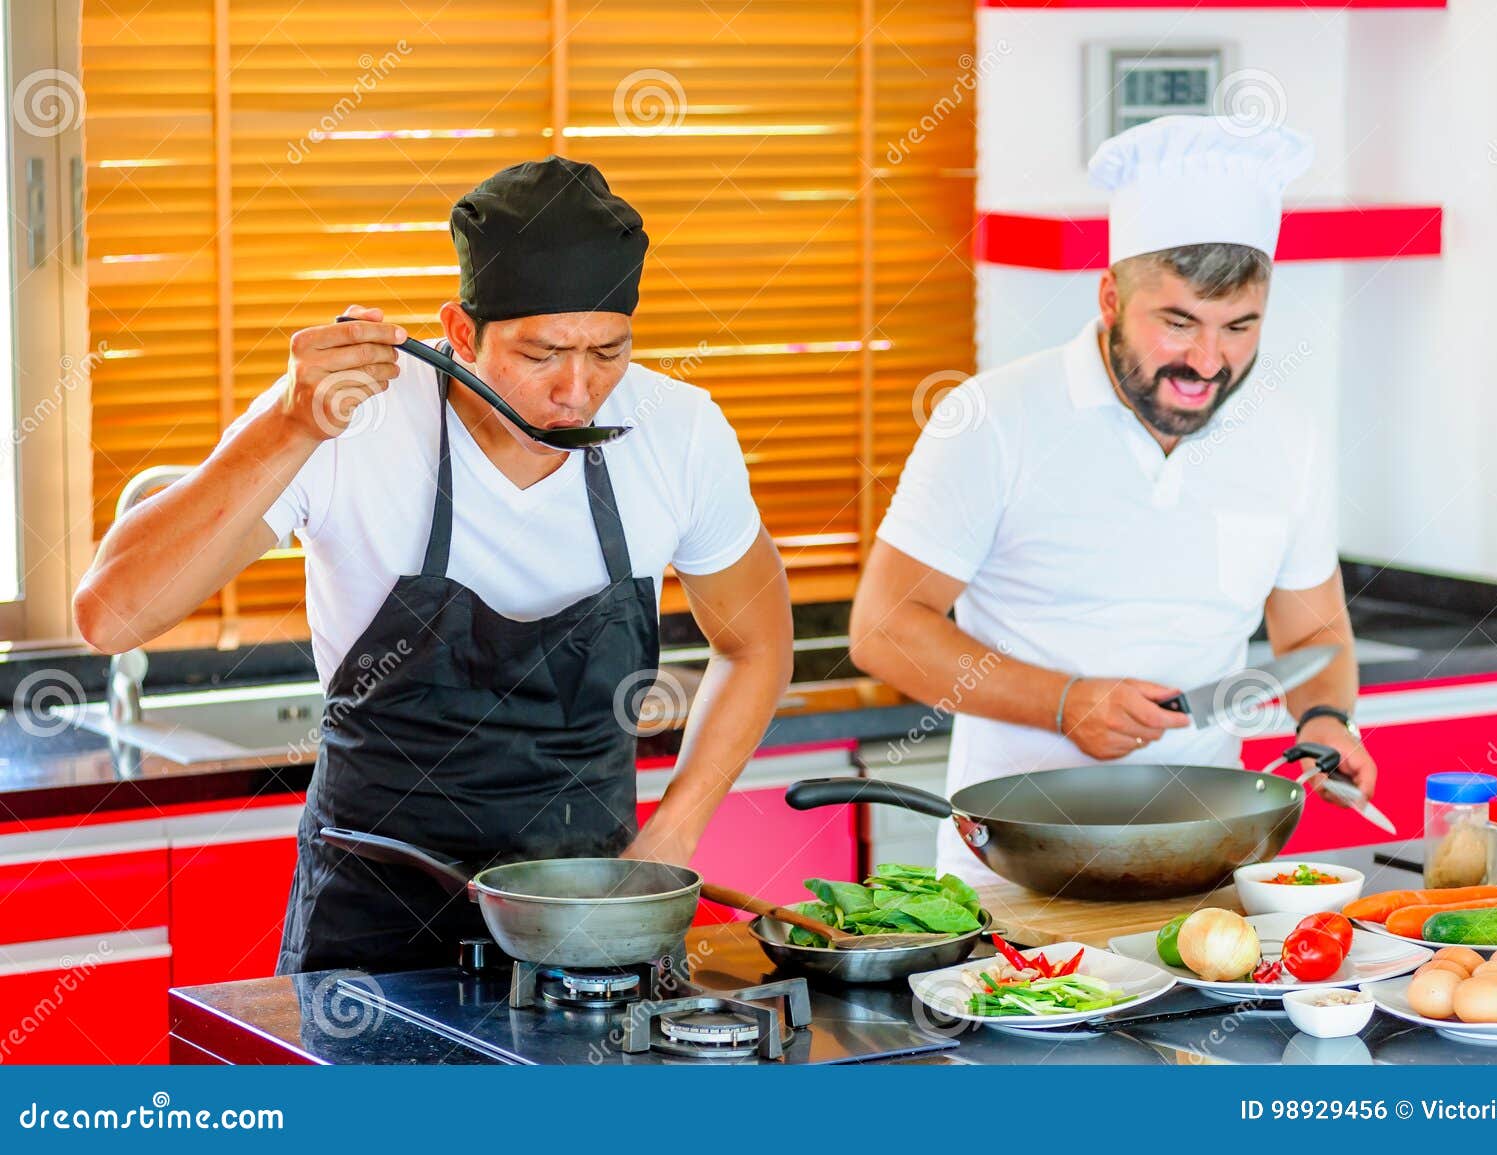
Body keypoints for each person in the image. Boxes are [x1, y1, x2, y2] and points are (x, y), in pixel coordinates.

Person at [74, 157, 794, 970]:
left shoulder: (680, 432)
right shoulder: (353, 423)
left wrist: (668, 838)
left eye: (608, 350)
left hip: (587, 925)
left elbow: (758, 641)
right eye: (542, 353)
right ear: (459, 332)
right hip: (367, 928)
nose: (577, 390)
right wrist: (287, 426)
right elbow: (111, 614)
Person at [849, 116, 1376, 882]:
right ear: (1109, 296)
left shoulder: (1287, 436)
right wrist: (1064, 703)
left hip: (1206, 862)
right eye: (1177, 322)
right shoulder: (994, 417)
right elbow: (884, 629)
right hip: (1014, 870)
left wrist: (1328, 721)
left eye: (1239, 327)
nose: (1207, 360)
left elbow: (1313, 633)